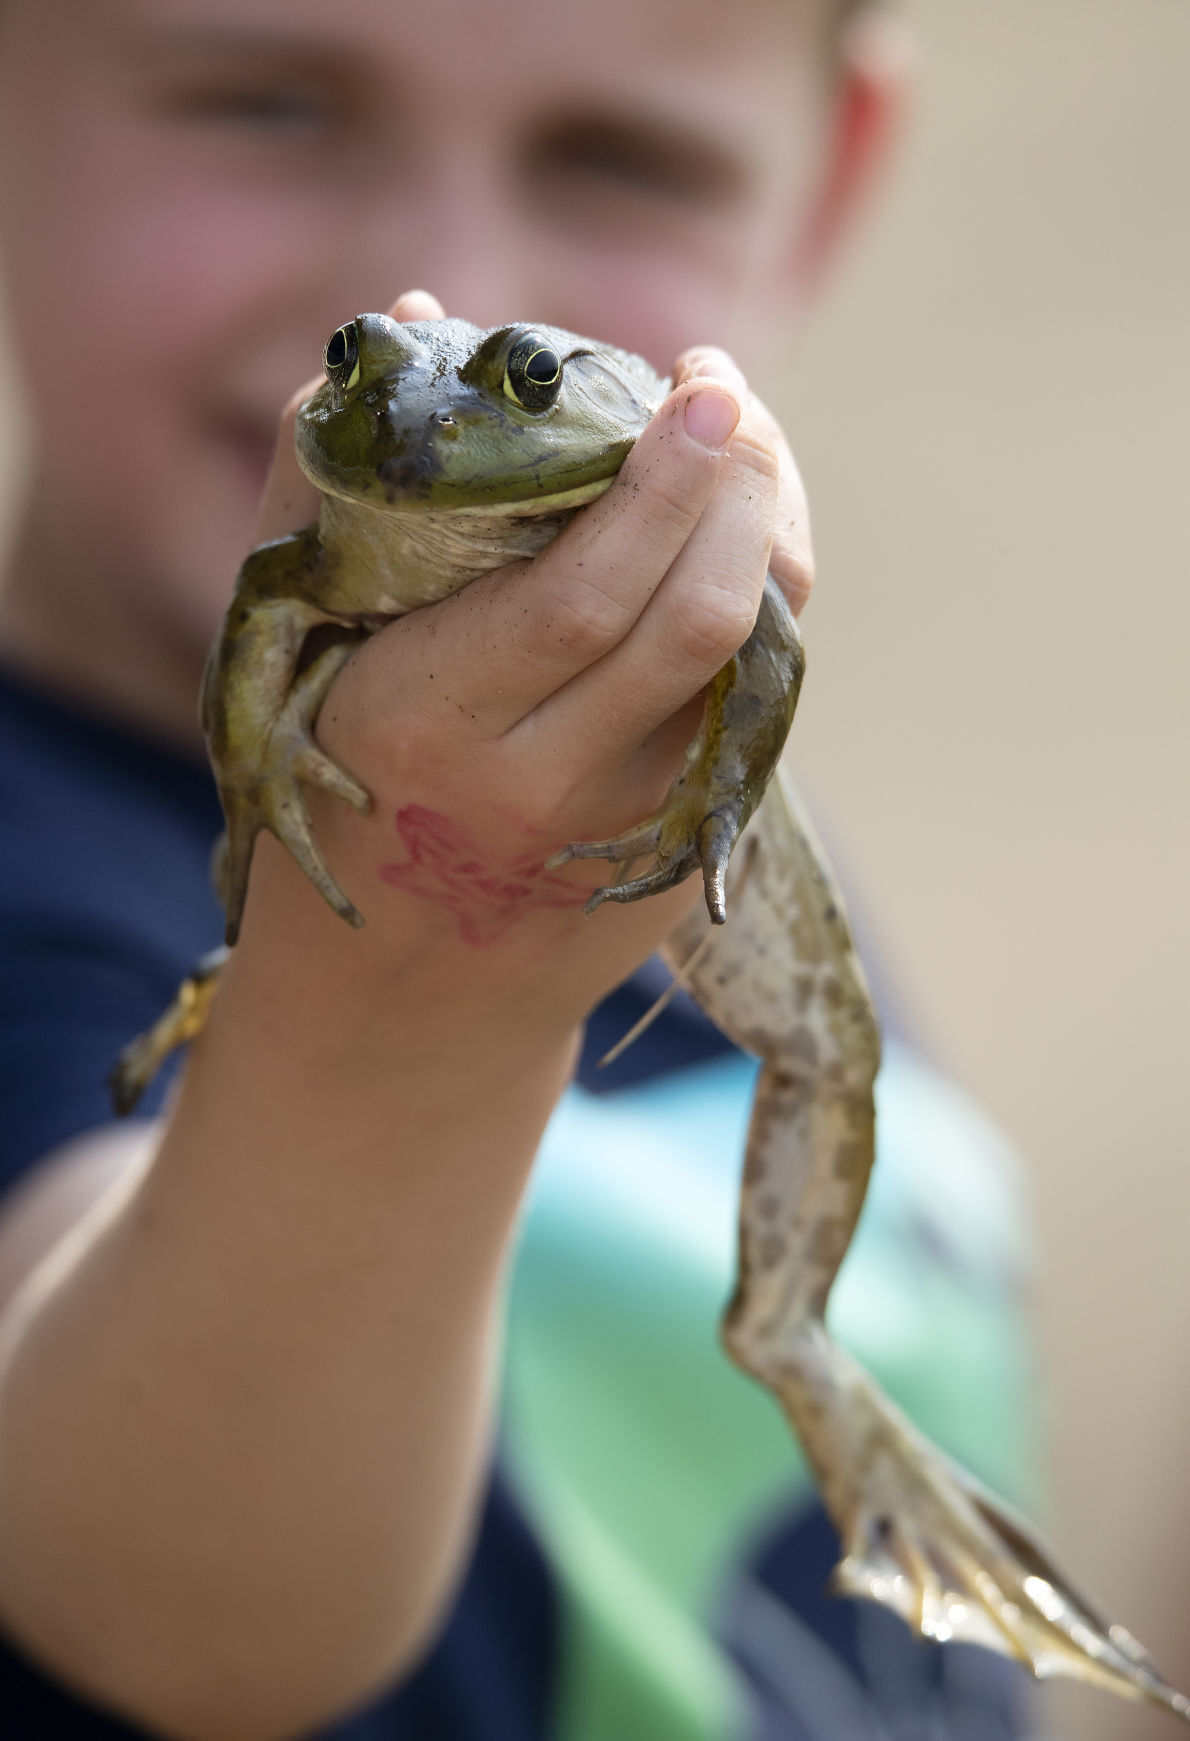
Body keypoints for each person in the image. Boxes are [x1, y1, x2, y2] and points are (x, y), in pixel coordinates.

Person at [0, 1, 1034, 1736]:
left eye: (618, 155)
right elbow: (197, 1615)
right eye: (263, 100)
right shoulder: (43, 889)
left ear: (827, 187)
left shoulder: (696, 789)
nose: (437, 281)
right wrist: (420, 964)